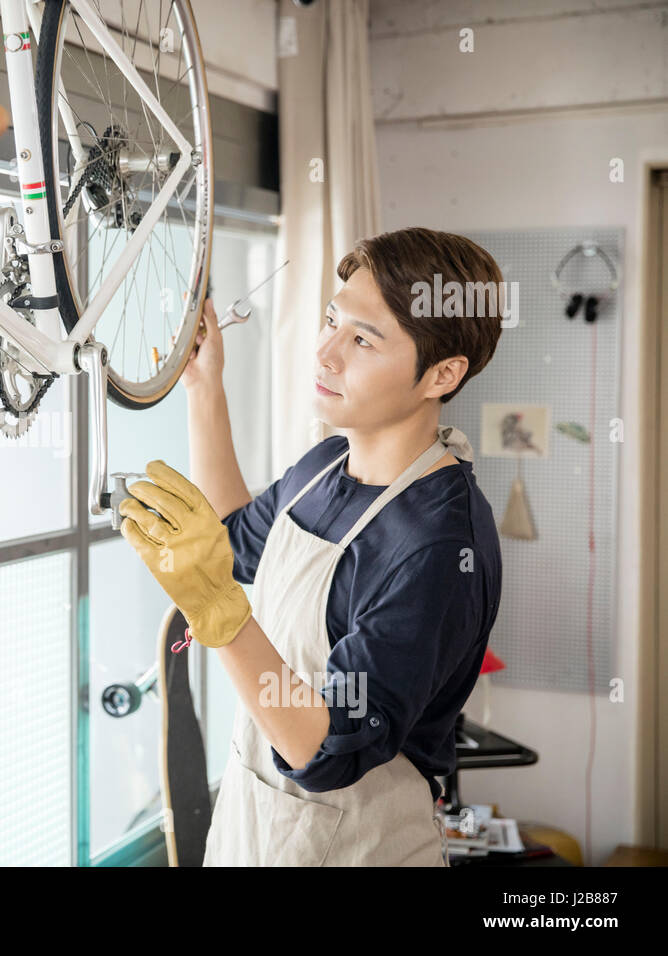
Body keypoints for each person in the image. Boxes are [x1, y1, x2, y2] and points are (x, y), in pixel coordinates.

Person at [120, 226, 504, 866]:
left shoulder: (439, 545)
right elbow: (238, 544)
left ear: (442, 373)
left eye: (362, 339)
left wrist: (220, 615)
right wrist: (203, 386)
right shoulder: (328, 465)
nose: (325, 352)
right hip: (252, 834)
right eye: (331, 321)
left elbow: (323, 751)